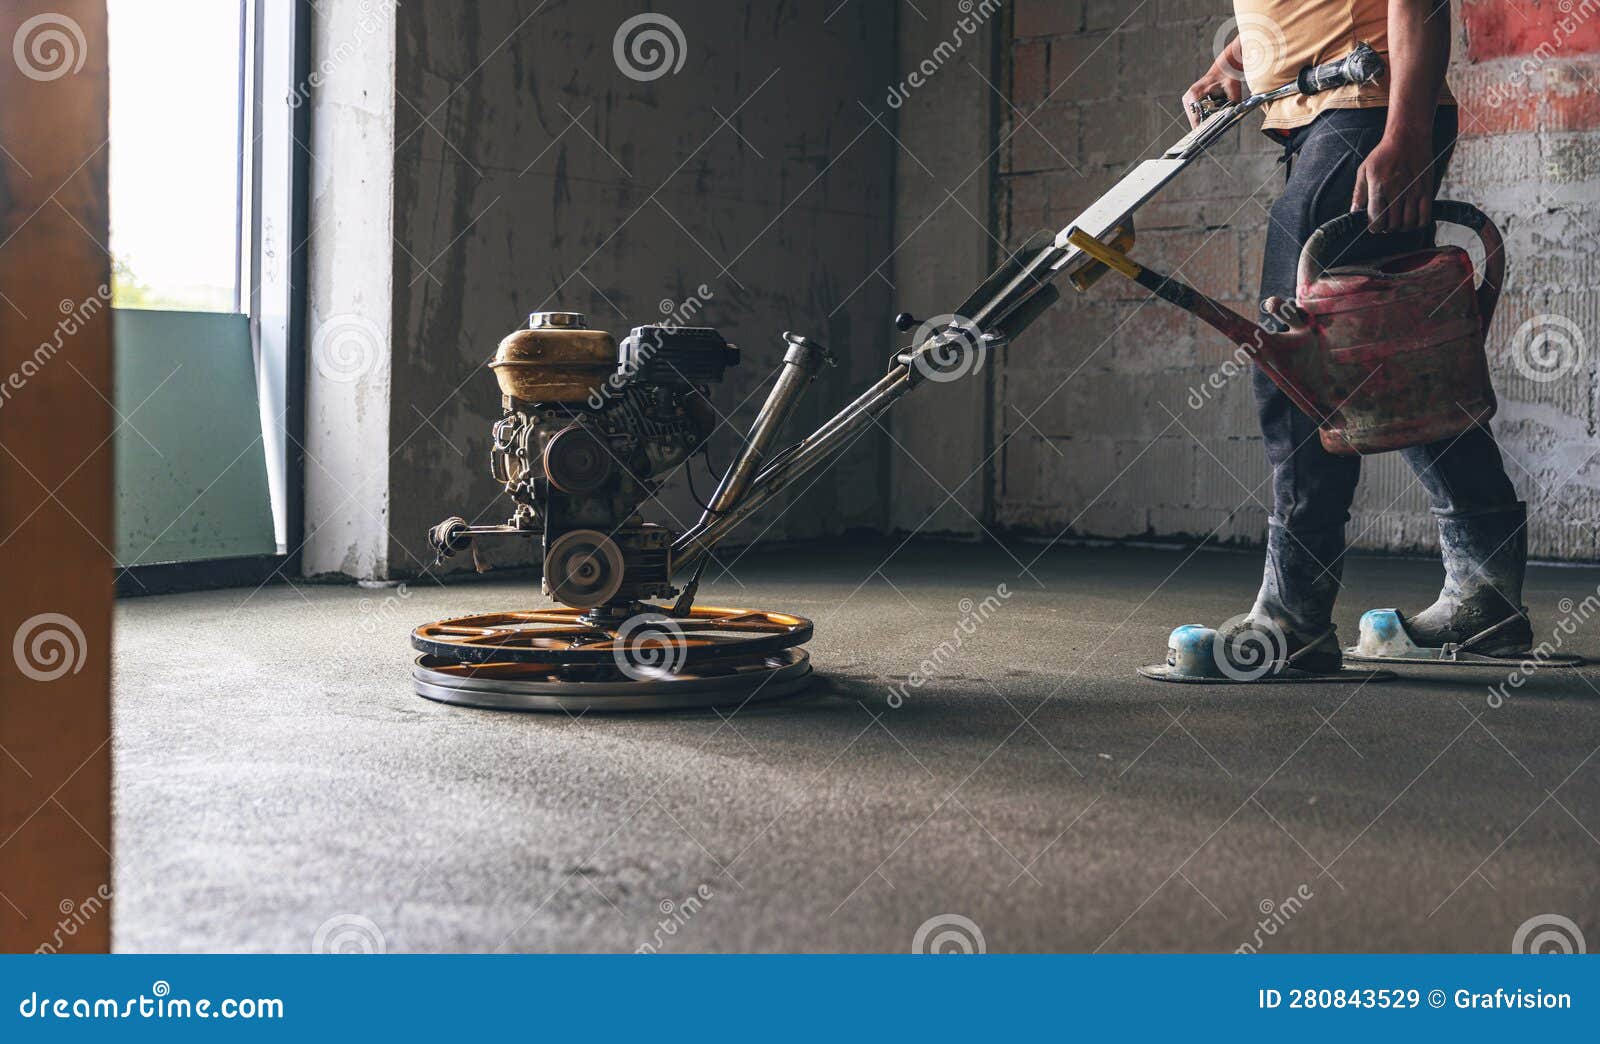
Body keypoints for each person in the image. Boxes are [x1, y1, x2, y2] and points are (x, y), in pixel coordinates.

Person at [1180, 0, 1530, 673]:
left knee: (1297, 360)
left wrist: (1406, 134)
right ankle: (1486, 597)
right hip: (1332, 112)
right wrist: (1238, 61)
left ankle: (1291, 621)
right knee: (1396, 358)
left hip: (1367, 111)